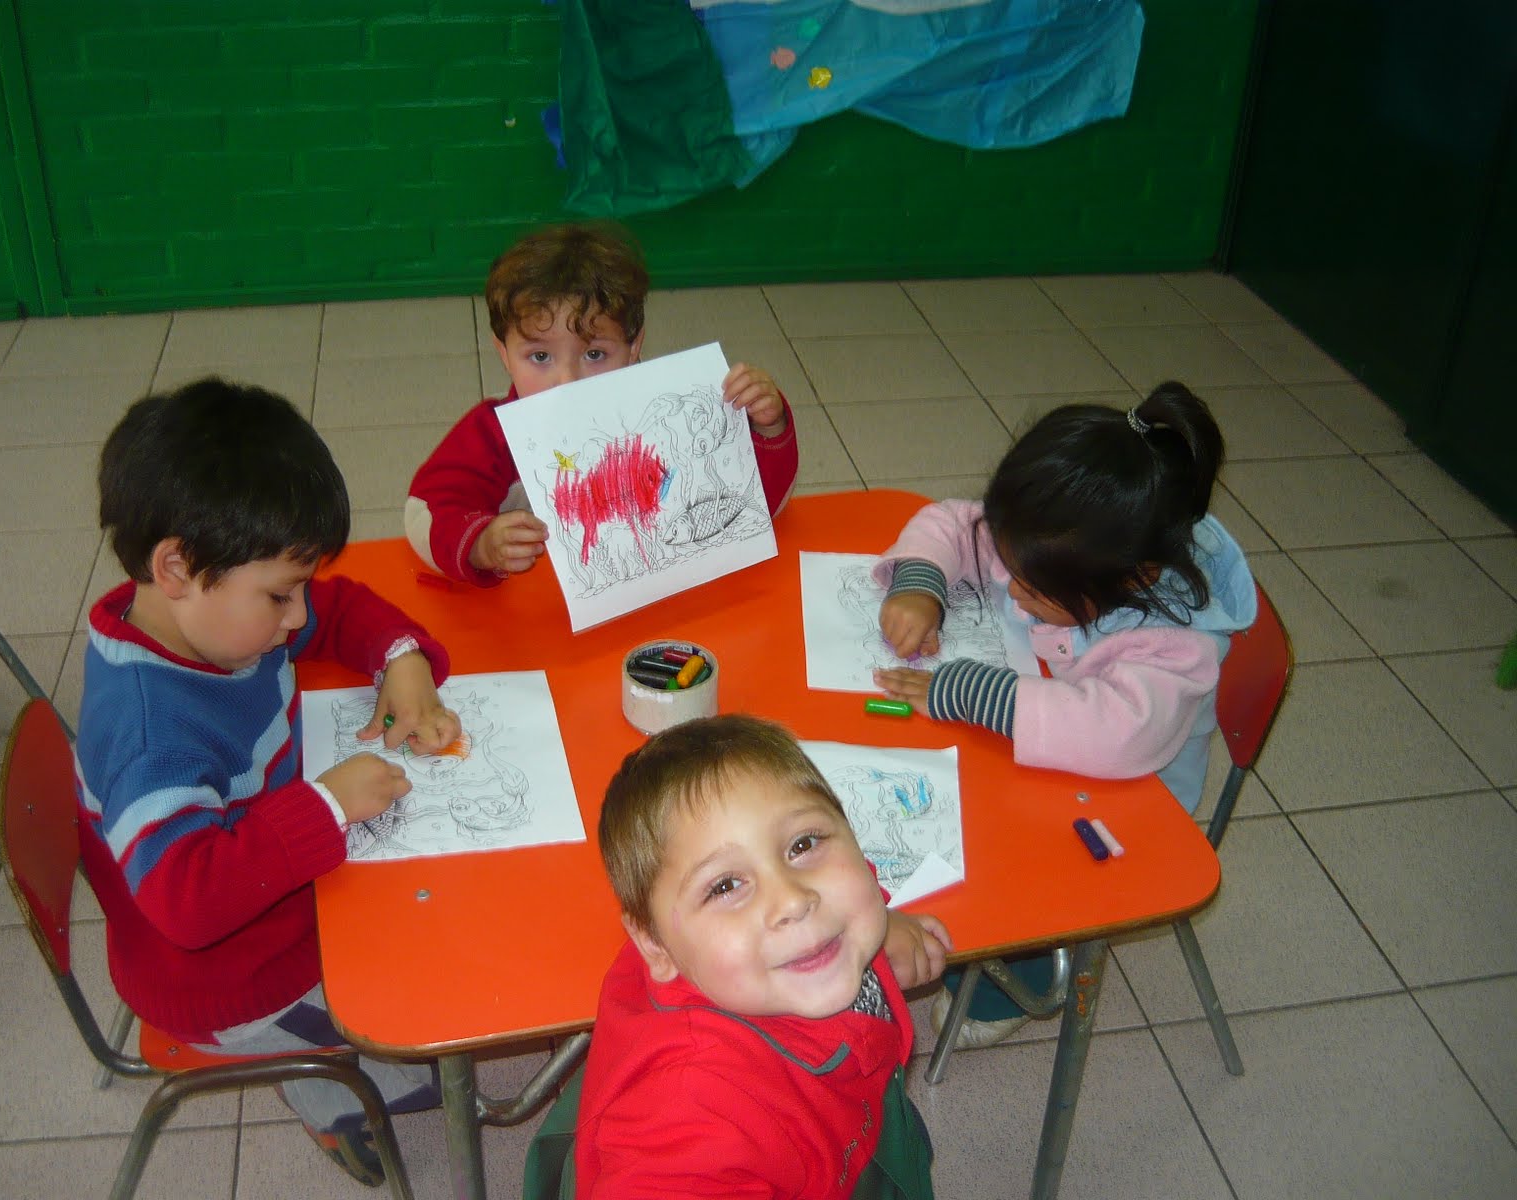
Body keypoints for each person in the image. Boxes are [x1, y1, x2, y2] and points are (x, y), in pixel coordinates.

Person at [76, 378, 463, 1185]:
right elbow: (188, 901)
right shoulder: (153, 734)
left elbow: (339, 607)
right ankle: (327, 1099)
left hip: (276, 896)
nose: (297, 619)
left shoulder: (215, 616)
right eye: (280, 596)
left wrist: (403, 661)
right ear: (175, 566)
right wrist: (325, 803)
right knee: (420, 1051)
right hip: (226, 975)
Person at [871, 381, 1256, 1050]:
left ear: (1134, 580)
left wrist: (966, 689)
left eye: (1034, 589)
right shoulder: (1074, 546)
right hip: (1051, 737)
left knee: (1008, 851)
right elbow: (954, 525)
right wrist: (921, 583)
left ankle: (1023, 973)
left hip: (1127, 805)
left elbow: (1112, 732)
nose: (1012, 589)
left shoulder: (1175, 643)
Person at [525, 714, 950, 1200]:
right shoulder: (696, 1116)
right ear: (655, 947)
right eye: (726, 885)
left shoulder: (779, 943)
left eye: (801, 845)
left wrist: (873, 924)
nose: (793, 900)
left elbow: (846, 882)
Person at [405, 223, 800, 584]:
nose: (566, 382)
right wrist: (480, 544)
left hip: (675, 603)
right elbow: (424, 511)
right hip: (543, 625)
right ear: (504, 353)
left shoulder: (673, 419)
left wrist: (768, 428)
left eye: (594, 355)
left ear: (633, 347)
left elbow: (761, 509)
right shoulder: (491, 436)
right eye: (540, 357)